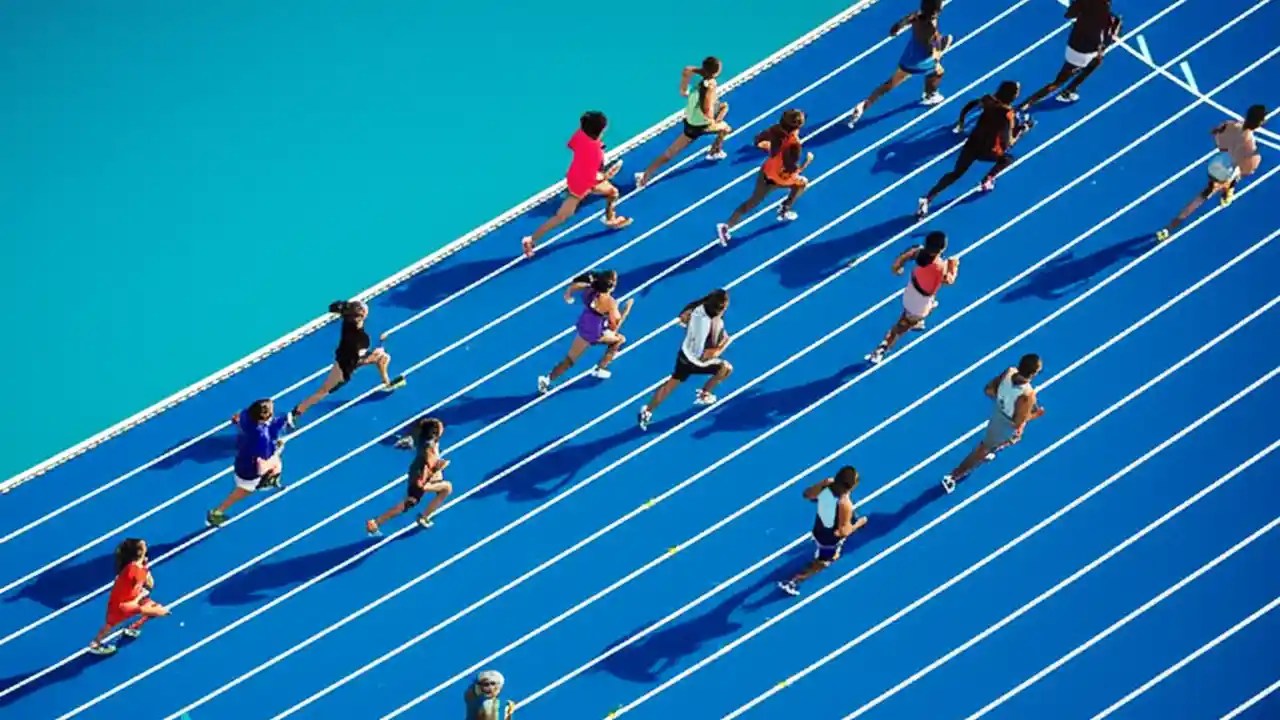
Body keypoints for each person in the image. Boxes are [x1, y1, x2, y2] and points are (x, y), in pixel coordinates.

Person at [522, 111, 632, 258]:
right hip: (581, 186)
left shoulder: (580, 135)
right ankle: (530, 240)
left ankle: (610, 218)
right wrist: (605, 176)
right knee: (562, 217)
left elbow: (572, 145)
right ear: (600, 130)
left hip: (573, 174)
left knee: (612, 192)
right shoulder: (596, 154)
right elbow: (592, 178)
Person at [917, 80, 1032, 218]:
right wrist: (1022, 129)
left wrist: (961, 122)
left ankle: (928, 198)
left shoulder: (988, 100)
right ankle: (987, 179)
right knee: (1007, 159)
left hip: (971, 146)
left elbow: (970, 105)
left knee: (956, 174)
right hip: (989, 151)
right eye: (1017, 92)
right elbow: (1009, 143)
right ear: (1012, 96)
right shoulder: (1008, 115)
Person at [1157, 105, 1267, 241]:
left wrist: (1225, 147)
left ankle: (1170, 227)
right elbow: (1248, 169)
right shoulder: (1250, 144)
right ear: (1259, 123)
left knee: (1207, 191)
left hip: (1215, 164)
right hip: (1226, 173)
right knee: (1230, 178)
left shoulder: (1232, 125)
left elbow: (1215, 133)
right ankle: (1227, 190)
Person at [942, 353, 1046, 493]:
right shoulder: (1027, 395)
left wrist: (1004, 399)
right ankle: (953, 476)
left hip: (998, 411)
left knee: (998, 441)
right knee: (984, 448)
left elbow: (989, 390)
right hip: (1005, 424)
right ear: (1033, 374)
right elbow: (1018, 422)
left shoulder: (1010, 371)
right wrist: (1035, 415)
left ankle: (990, 448)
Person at [845, 0, 952, 129]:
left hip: (908, 58)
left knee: (888, 85)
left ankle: (864, 104)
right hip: (921, 60)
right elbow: (932, 50)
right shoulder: (932, 27)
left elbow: (901, 23)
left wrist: (895, 29)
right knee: (939, 71)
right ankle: (930, 95)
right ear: (938, 11)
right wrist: (942, 48)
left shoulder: (916, 15)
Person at [292, 300, 405, 420]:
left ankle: (386, 382)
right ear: (361, 316)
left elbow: (335, 307)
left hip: (346, 356)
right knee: (323, 392)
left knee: (384, 358)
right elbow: (358, 360)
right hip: (344, 367)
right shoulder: (361, 339)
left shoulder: (347, 320)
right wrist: (376, 352)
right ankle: (297, 412)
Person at [637, 289, 733, 431]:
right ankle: (704, 394)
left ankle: (647, 410)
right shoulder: (709, 326)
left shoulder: (699, 307)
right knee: (726, 369)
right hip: (697, 361)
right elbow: (705, 355)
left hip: (684, 353)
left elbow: (685, 317)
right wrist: (723, 344)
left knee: (671, 384)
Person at [715, 110, 813, 246]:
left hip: (766, 172)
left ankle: (727, 226)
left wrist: (768, 149)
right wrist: (807, 162)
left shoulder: (775, 129)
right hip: (780, 178)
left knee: (750, 203)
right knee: (802, 183)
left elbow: (757, 140)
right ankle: (784, 209)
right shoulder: (795, 144)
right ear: (798, 127)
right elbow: (790, 170)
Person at [635, 57, 732, 188]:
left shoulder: (698, 79)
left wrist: (691, 83)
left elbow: (687, 71)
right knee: (725, 128)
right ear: (717, 72)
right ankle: (714, 152)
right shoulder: (710, 87)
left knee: (724, 106)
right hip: (700, 125)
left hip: (690, 119)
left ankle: (644, 176)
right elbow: (706, 108)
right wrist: (712, 119)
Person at [867, 230, 959, 364]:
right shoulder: (939, 267)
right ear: (941, 249)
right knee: (901, 327)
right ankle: (882, 348)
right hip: (920, 304)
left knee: (921, 309)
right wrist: (953, 265)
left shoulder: (919, 252)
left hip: (911, 290)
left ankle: (916, 321)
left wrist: (897, 267)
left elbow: (904, 257)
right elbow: (949, 280)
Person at [538, 270, 634, 394]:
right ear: (611, 286)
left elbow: (575, 285)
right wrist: (626, 310)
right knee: (619, 339)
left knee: (569, 360)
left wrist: (568, 294)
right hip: (595, 332)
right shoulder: (610, 303)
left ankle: (547, 379)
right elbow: (614, 327)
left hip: (584, 324)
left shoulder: (590, 289)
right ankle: (600, 368)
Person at [778, 467, 867, 597]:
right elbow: (844, 531)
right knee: (825, 561)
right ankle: (793, 581)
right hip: (829, 539)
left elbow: (807, 495)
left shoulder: (828, 484)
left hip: (819, 526)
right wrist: (859, 524)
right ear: (852, 487)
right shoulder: (845, 504)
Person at [1018, 0, 1121, 113]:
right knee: (1094, 63)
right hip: (1083, 54)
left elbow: (1069, 14)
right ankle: (1067, 91)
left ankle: (1068, 90)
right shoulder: (1110, 19)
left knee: (1083, 66)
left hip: (1072, 46)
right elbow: (1106, 40)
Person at [206, 398, 291, 528]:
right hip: (249, 472)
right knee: (244, 490)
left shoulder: (247, 415)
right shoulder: (261, 438)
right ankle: (216, 512)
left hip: (241, 461)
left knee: (276, 462)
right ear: (264, 417)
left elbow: (237, 416)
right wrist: (276, 449)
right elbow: (261, 466)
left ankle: (271, 479)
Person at [368, 417, 451, 535]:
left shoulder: (424, 438)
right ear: (434, 433)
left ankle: (377, 522)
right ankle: (377, 522)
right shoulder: (430, 451)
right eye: (440, 427)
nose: (443, 428)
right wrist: (439, 467)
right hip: (421, 476)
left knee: (411, 501)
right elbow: (427, 474)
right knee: (446, 488)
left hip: (417, 469)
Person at [88, 539, 169, 655]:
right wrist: (143, 600)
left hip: (130, 598)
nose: (146, 545)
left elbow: (148, 582)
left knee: (151, 609)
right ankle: (95, 644)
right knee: (109, 626)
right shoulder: (133, 571)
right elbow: (144, 584)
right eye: (143, 546)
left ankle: (132, 627)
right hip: (122, 604)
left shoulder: (138, 566)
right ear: (139, 552)